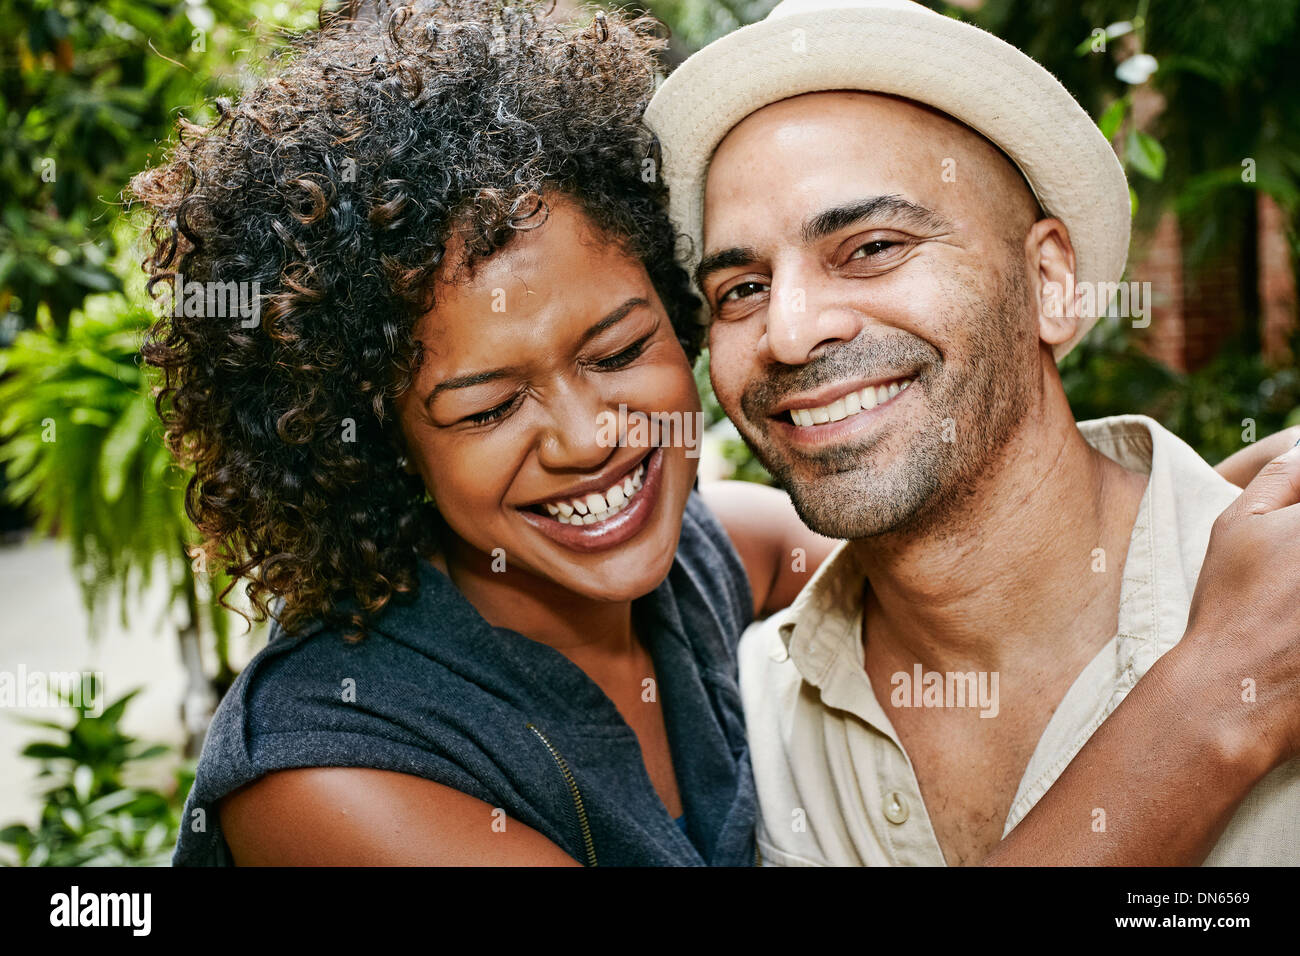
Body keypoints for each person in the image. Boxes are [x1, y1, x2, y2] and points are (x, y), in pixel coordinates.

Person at [139, 0, 1296, 866]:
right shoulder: (329, 771)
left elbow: (955, 534)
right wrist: (1210, 702)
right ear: (376, 442)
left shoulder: (704, 559)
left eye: (617, 348)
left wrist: (1191, 510)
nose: (593, 436)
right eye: (487, 408)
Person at [645, 0, 1300, 865]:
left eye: (872, 247)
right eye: (740, 290)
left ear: (1049, 281)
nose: (790, 332)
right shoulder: (758, 721)